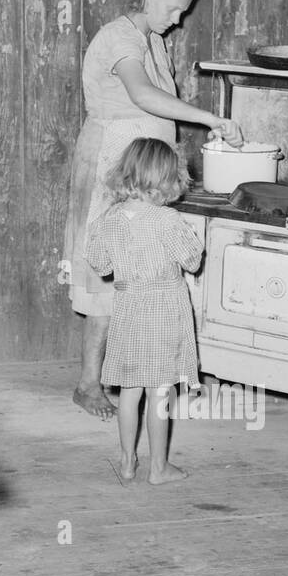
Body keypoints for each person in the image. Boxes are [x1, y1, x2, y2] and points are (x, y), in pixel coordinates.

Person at [63, 0, 242, 419]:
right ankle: (88, 385)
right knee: (105, 274)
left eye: (183, 11)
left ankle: (147, 373)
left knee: (143, 275)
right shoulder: (119, 37)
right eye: (174, 9)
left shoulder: (153, 40)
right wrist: (209, 119)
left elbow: (156, 104)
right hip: (114, 166)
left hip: (145, 172)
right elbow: (142, 96)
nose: (178, 19)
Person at [85, 137, 203, 484]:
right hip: (163, 311)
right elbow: (193, 263)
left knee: (130, 391)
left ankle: (126, 461)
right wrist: (193, 238)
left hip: (127, 310)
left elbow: (100, 265)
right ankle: (159, 468)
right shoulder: (168, 219)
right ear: (168, 179)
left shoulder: (110, 218)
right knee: (160, 392)